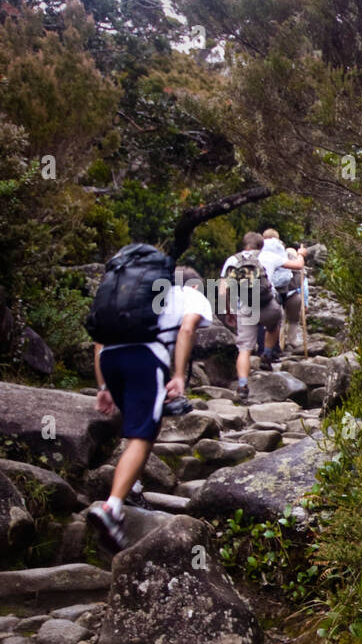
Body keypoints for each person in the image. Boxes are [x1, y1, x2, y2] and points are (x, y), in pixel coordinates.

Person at [88, 264, 213, 552]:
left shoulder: (129, 296)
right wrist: (179, 376)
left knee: (138, 423)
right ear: (194, 285)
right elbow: (186, 328)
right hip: (143, 358)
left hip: (110, 358)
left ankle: (132, 486)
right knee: (143, 436)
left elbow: (99, 338)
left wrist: (103, 386)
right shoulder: (191, 295)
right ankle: (113, 507)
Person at [218, 231, 282, 402]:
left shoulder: (232, 260)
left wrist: (228, 311)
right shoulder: (267, 258)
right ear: (261, 246)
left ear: (244, 244)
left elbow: (223, 290)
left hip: (246, 307)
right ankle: (267, 355)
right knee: (274, 326)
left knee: (244, 349)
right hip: (269, 306)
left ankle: (242, 386)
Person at [260, 228, 305, 362]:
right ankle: (274, 350)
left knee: (260, 322)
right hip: (280, 291)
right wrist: (301, 254)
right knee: (276, 321)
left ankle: (261, 350)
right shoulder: (278, 252)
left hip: (257, 289)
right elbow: (298, 266)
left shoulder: (258, 251)